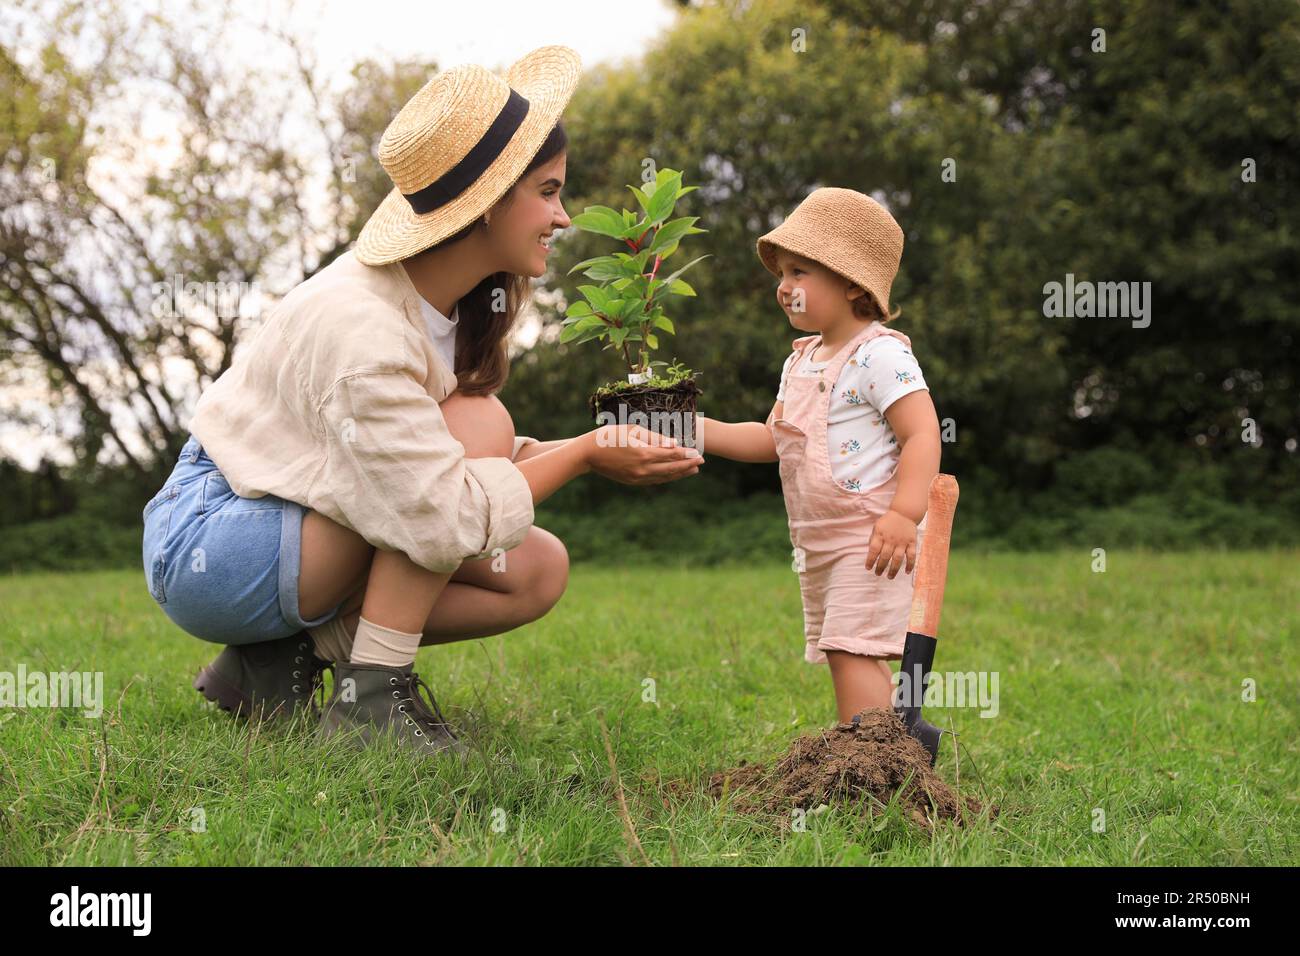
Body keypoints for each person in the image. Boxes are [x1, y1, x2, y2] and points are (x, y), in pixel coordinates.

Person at [139, 45, 701, 758]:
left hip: (289, 520)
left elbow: (427, 464)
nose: (564, 218)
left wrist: (599, 445)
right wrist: (586, 456)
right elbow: (438, 512)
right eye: (549, 191)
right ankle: (372, 699)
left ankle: (280, 661)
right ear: (490, 202)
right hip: (214, 541)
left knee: (534, 570)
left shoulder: (444, 301)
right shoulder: (365, 329)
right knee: (480, 425)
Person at [696, 187, 941, 723]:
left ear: (852, 282)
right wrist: (693, 429)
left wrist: (904, 513)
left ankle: (871, 761)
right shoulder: (802, 360)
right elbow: (772, 439)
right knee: (845, 647)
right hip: (818, 540)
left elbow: (923, 434)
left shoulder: (880, 355)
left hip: (872, 534)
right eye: (781, 274)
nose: (783, 289)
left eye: (799, 273)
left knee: (850, 645)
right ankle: (879, 751)